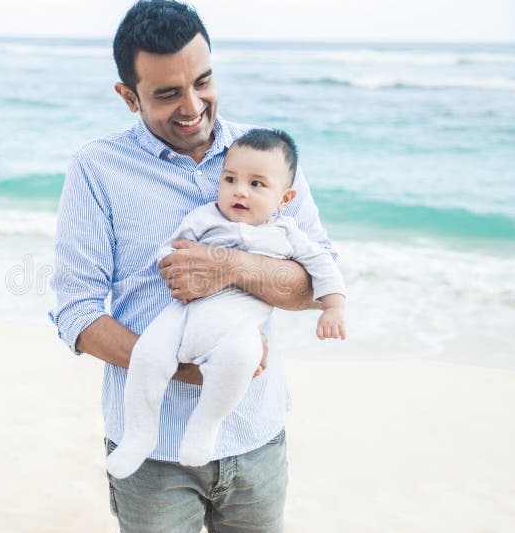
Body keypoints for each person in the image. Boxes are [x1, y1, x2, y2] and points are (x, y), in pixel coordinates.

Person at [48, 0, 338, 530]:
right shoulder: (96, 168)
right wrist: (188, 370)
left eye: (203, 81)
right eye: (167, 93)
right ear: (127, 97)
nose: (193, 106)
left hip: (255, 434)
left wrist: (228, 266)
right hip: (152, 454)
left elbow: (315, 286)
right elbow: (77, 315)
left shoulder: (266, 159)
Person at [105, 128, 346, 480]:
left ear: (285, 197)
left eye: (256, 184)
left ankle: (205, 424)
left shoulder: (287, 234)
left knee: (241, 359)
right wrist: (173, 263)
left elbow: (323, 264)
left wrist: (334, 307)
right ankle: (140, 434)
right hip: (184, 315)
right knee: (148, 355)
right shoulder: (205, 218)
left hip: (238, 326)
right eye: (230, 179)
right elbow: (174, 249)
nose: (239, 191)